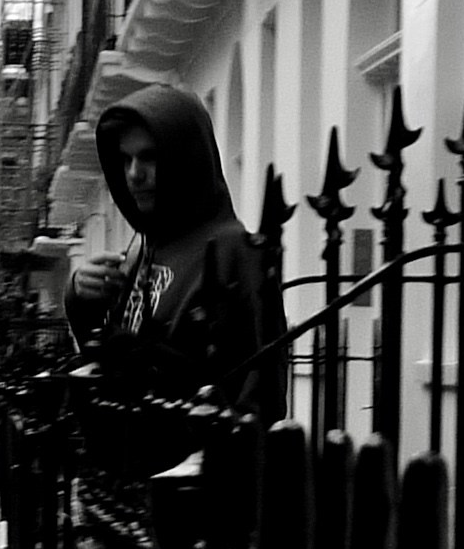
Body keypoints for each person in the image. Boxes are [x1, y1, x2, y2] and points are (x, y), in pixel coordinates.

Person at [37, 86, 281, 478]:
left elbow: (258, 395)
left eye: (150, 157)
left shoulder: (236, 251)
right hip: (127, 488)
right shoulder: (141, 249)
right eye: (126, 159)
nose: (135, 174)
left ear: (186, 158)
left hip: (192, 498)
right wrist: (81, 297)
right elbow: (104, 366)